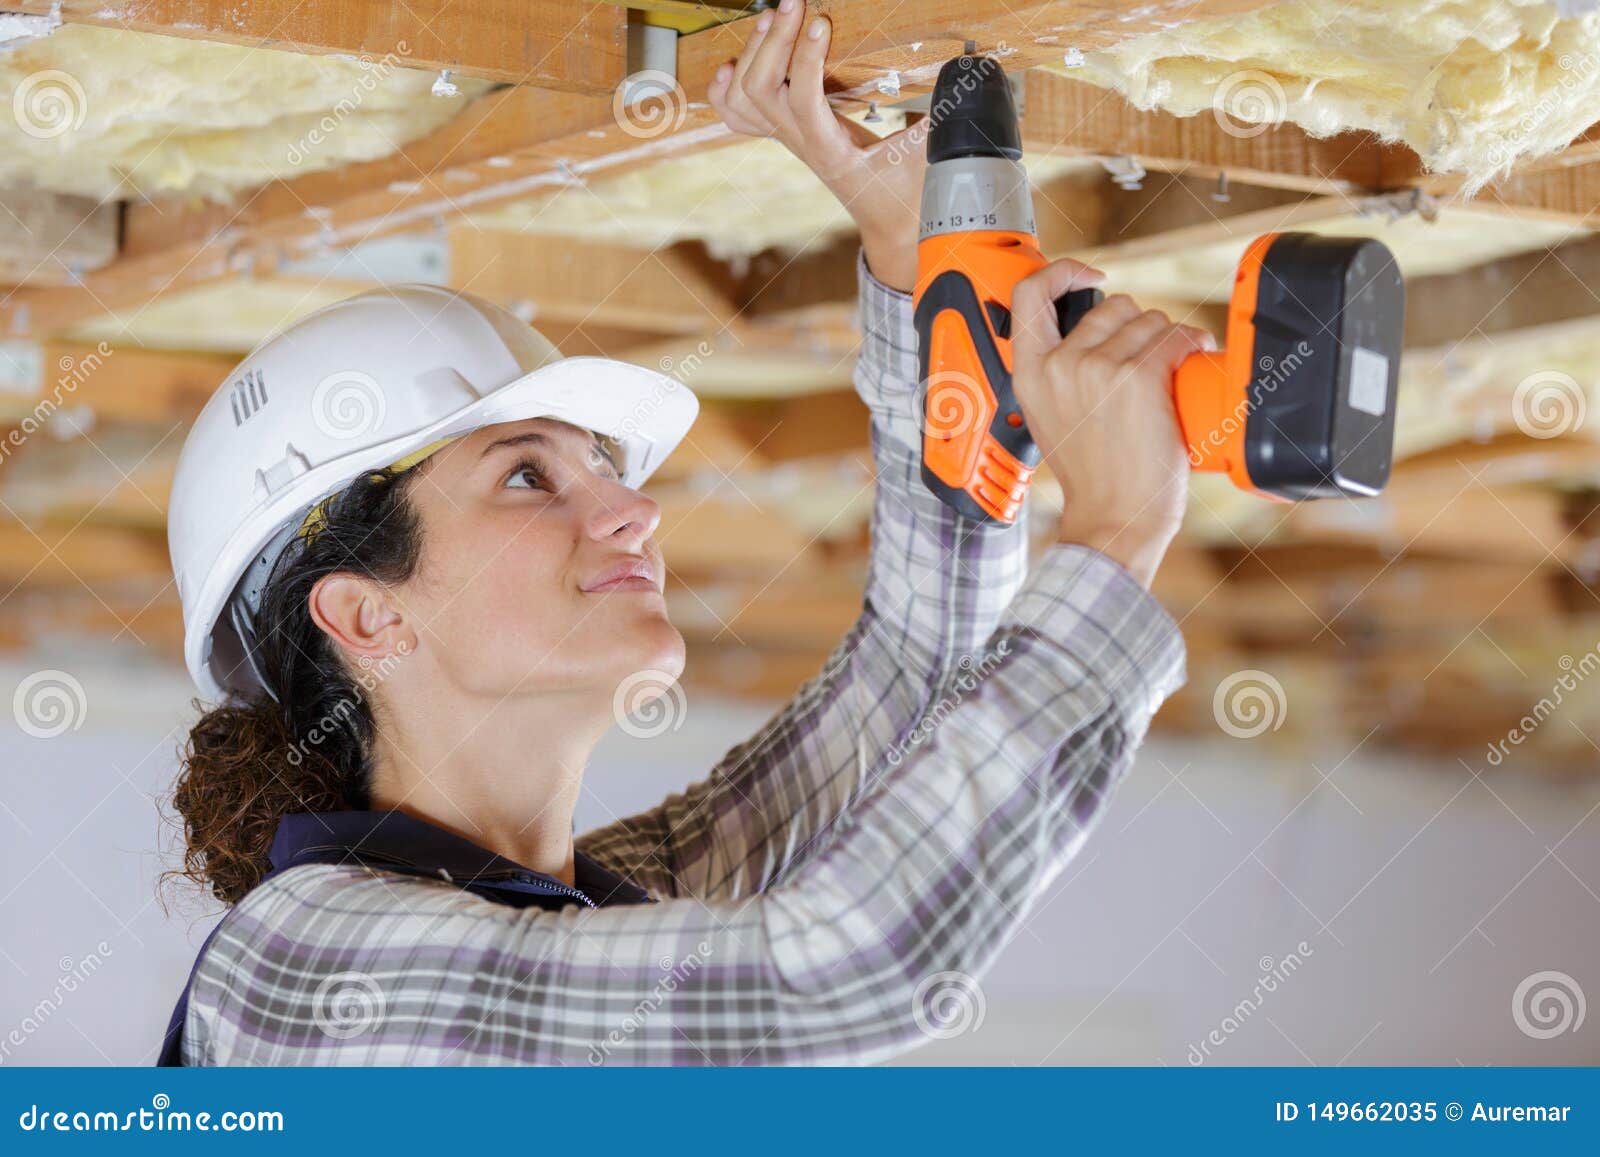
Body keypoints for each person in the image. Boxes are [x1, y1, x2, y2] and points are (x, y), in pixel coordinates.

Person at [156, 0, 1210, 1065]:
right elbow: (839, 973)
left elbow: (920, 676)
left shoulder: (585, 908)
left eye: (600, 465)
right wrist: (1112, 532)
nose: (633, 509)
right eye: (529, 474)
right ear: (365, 610)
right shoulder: (302, 970)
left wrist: (913, 263)